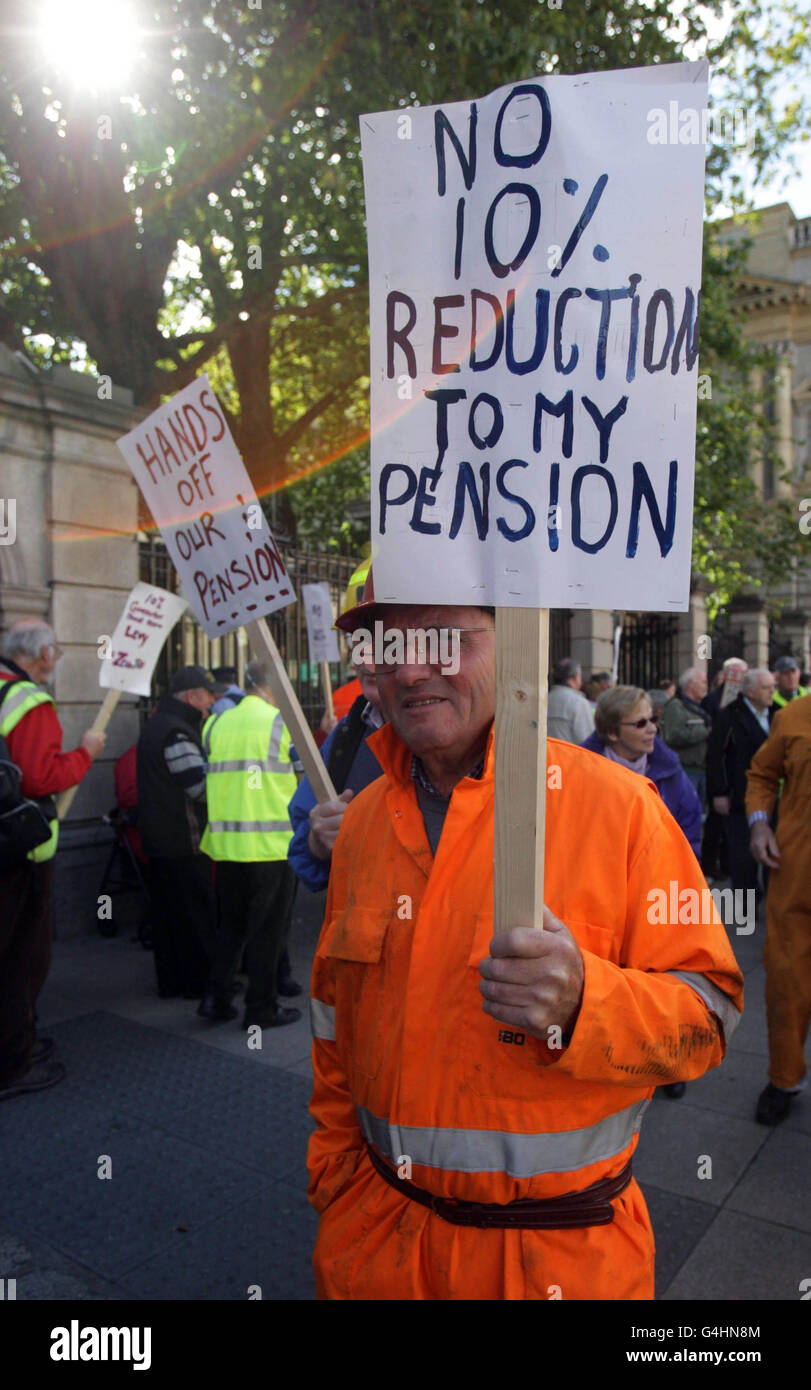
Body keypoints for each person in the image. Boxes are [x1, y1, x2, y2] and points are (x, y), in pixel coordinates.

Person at [307, 595, 743, 1301]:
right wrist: (333, 1184)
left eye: (447, 641)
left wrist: (584, 1004)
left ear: (513, 646)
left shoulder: (621, 808)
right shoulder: (359, 826)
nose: (412, 670)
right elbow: (331, 1032)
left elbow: (707, 1022)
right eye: (387, 647)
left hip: (558, 1263)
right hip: (374, 1251)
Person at [582, 685, 703, 1104]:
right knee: (608, 985)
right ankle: (608, 1057)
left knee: (661, 985)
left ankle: (665, 1062)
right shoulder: (578, 769)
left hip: (659, 898)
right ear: (612, 734)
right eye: (641, 722)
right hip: (598, 898)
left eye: (653, 719)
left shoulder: (669, 770)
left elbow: (690, 829)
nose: (653, 729)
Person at [0, 619, 105, 1100]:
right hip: (18, 851)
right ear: (40, 654)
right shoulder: (30, 702)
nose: (56, 659)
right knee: (22, 956)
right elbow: (39, 778)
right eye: (56, 651)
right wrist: (85, 754)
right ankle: (14, 1062)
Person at [198, 659, 300, 1029]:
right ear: (272, 687)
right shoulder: (281, 723)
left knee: (232, 927)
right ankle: (261, 1008)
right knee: (268, 933)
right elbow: (309, 779)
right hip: (271, 845)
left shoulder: (215, 722)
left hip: (226, 845)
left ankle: (216, 998)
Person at [746, 689, 811, 1125]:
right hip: (796, 875)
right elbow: (762, 774)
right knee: (787, 983)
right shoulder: (795, 716)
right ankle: (784, 1077)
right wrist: (759, 824)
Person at [136, 665, 220, 999]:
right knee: (194, 918)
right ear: (192, 695)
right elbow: (197, 787)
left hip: (159, 839)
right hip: (183, 840)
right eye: (207, 697)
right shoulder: (177, 731)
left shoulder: (157, 724)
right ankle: (198, 984)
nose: (210, 705)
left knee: (168, 918)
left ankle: (172, 982)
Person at [289, 661, 384, 893]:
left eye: (388, 643)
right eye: (360, 643)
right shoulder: (348, 732)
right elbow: (306, 835)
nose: (368, 662)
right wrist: (318, 841)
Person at [707, 669, 774, 896]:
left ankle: (773, 900)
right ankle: (745, 904)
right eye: (766, 687)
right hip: (739, 795)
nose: (772, 691)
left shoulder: (777, 713)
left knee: (774, 852)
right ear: (751, 691)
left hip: (774, 797)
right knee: (742, 855)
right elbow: (717, 755)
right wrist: (719, 792)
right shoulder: (730, 715)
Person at [661, 666, 710, 803]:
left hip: (702, 771)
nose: (706, 686)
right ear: (690, 684)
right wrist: (705, 732)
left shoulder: (700, 707)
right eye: (703, 682)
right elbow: (673, 735)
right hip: (687, 771)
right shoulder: (676, 706)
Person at [546, 656, 595, 744]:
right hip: (569, 756)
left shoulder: (544, 700)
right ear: (575, 677)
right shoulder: (579, 703)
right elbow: (587, 740)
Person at [769, 655, 809, 722]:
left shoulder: (808, 696)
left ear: (799, 673)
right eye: (786, 673)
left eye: (793, 672)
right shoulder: (770, 702)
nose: (791, 677)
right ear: (777, 677)